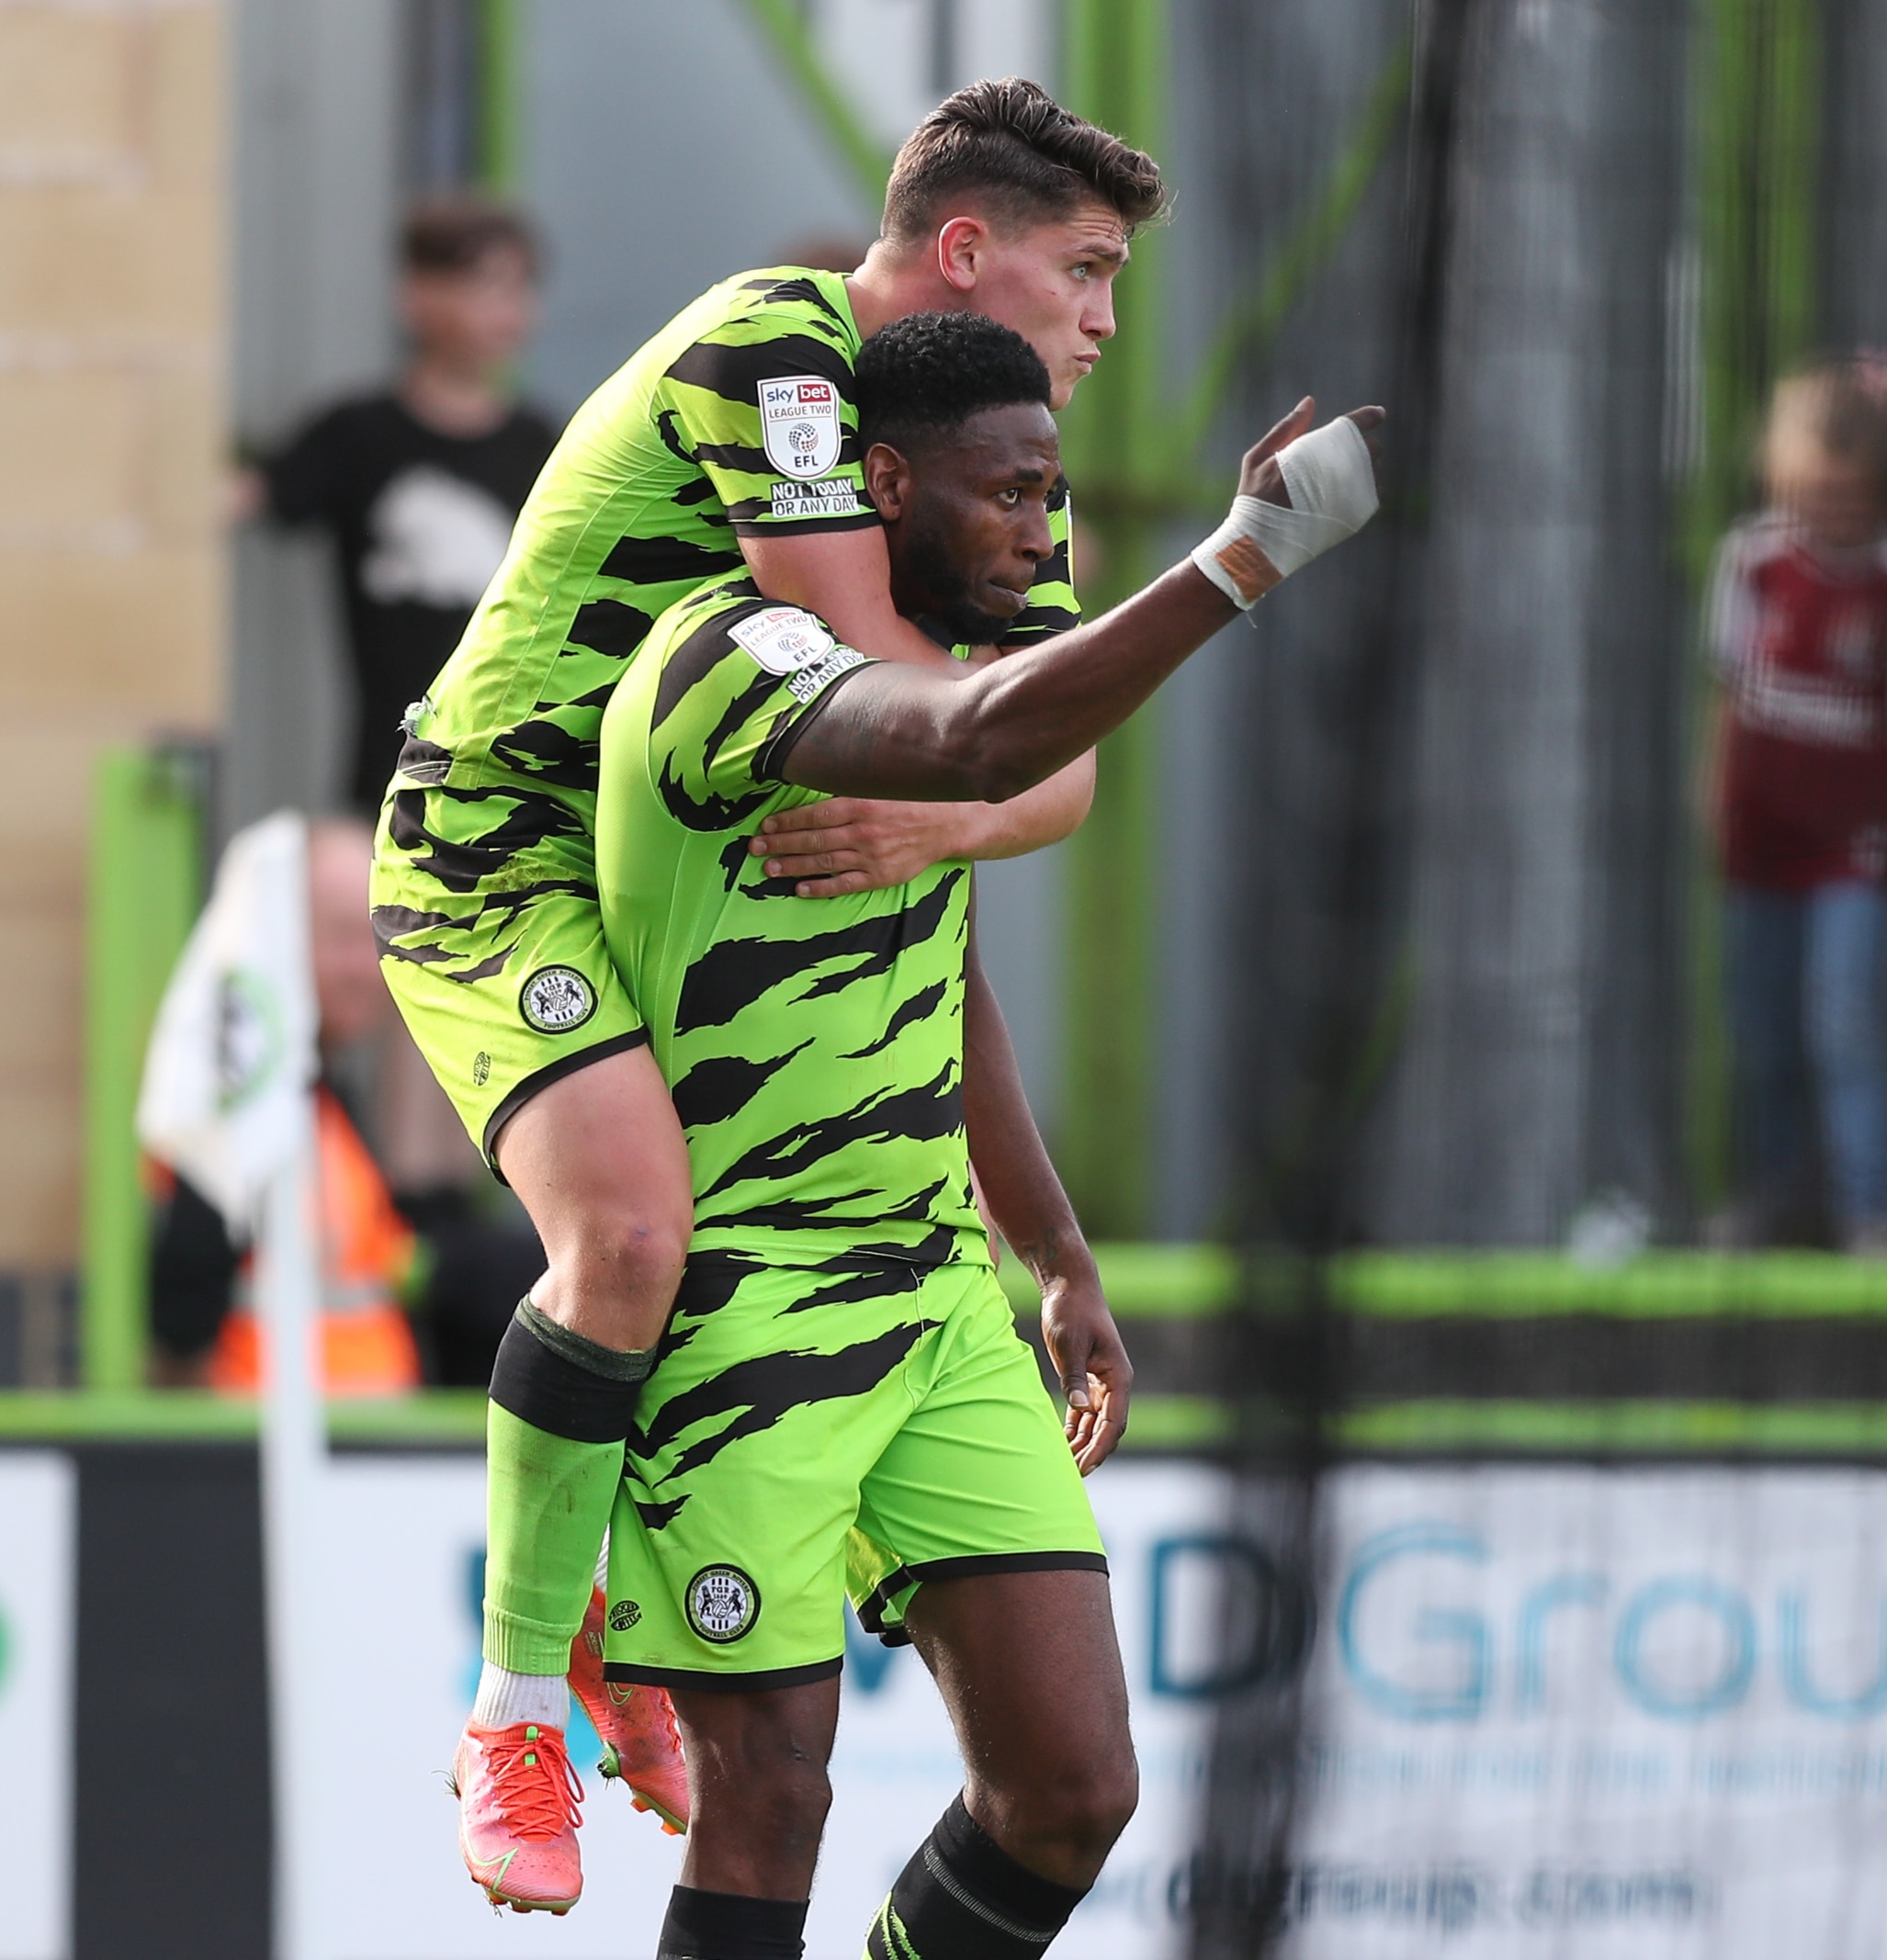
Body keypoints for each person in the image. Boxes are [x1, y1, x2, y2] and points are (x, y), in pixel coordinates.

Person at [374, 81, 1169, 1896]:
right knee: (635, 1235)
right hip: (505, 851)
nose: (1107, 317)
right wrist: (975, 755)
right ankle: (515, 1704)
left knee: (1057, 1779)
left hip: (676, 891)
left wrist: (937, 814)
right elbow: (938, 715)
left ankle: (604, 1613)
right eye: (1087, 267)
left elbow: (1050, 778)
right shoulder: (776, 347)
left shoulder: (963, 495)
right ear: (964, 249)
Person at [582, 313, 1380, 1960]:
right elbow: (992, 745)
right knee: (769, 1796)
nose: (1041, 529)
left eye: (1055, 493)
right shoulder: (729, 662)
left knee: (1071, 1787)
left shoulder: (934, 662)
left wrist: (1057, 1249)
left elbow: (938, 978)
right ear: (879, 482)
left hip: (936, 1299)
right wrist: (1249, 555)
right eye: (1008, 494)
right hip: (747, 1308)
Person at [1701, 353, 1887, 1258]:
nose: (1830, 514)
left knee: (1843, 1017)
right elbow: (1728, 699)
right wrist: (1716, 809)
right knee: (1762, 1024)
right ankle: (1773, 1192)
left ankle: (1870, 1213)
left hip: (1857, 843)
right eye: (1814, 491)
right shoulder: (1751, 561)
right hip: (1761, 840)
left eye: (1850, 495)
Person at [142, 819, 540, 1391]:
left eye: (376, 938)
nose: (365, 968)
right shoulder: (242, 1106)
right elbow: (182, 1326)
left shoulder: (327, 1104)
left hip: (348, 1452)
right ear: (282, 938)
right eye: (339, 937)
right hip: (272, 1453)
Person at [247, 199, 561, 812]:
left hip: (516, 766)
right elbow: (249, 498)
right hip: (388, 764)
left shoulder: (545, 446)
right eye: (485, 283)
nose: (507, 307)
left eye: (522, 286)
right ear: (416, 294)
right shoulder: (356, 435)